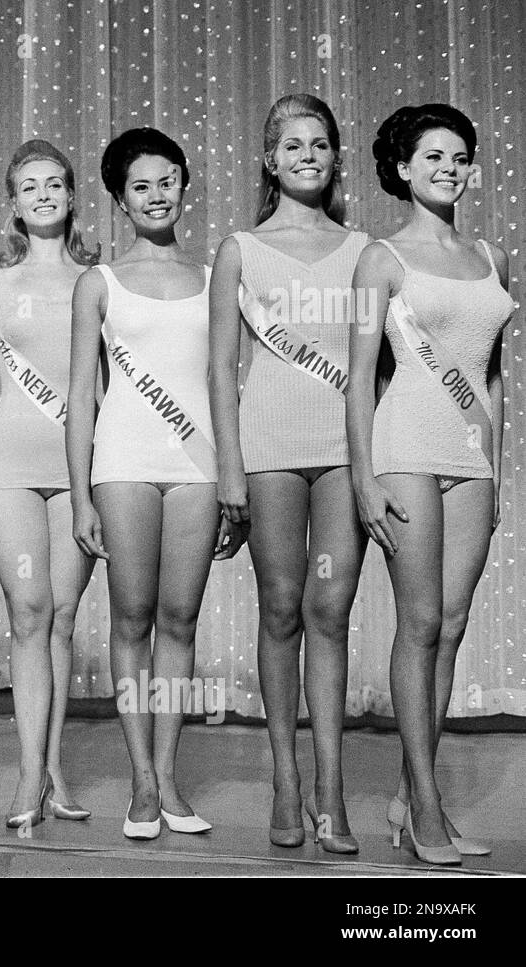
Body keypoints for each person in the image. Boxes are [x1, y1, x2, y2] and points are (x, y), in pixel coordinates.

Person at [346, 104, 512, 865]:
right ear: (404, 168)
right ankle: (427, 805)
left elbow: (497, 377)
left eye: (460, 156)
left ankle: (412, 799)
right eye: (433, 156)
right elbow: (356, 380)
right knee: (418, 624)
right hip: (405, 442)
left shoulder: (491, 255)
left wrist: (497, 466)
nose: (449, 167)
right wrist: (362, 476)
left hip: (469, 454)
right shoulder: (382, 258)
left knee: (451, 623)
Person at [209, 94, 370, 852]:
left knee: (329, 608)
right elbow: (219, 369)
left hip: (343, 452)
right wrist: (229, 470)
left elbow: (381, 366)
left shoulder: (365, 249)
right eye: (293, 144)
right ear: (270, 160)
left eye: (321, 143)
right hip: (268, 449)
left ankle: (333, 788)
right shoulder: (240, 249)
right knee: (281, 606)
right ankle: (286, 779)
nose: (308, 153)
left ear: (336, 157)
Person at [70, 127, 241, 840]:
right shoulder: (98, 282)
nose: (157, 194)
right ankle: (139, 777)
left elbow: (224, 378)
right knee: (132, 617)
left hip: (198, 464)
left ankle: (169, 773)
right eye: (141, 185)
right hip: (124, 462)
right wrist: (80, 494)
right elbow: (82, 394)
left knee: (179, 620)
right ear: (118, 198)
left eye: (168, 180)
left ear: (183, 185)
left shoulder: (214, 277)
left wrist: (233, 473)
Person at [0, 140, 98, 828]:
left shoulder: (98, 280)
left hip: (80, 469)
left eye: (54, 184)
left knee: (65, 617)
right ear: (13, 203)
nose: (42, 195)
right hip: (11, 465)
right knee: (29, 611)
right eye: (28, 187)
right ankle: (25, 774)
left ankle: (54, 768)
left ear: (72, 196)